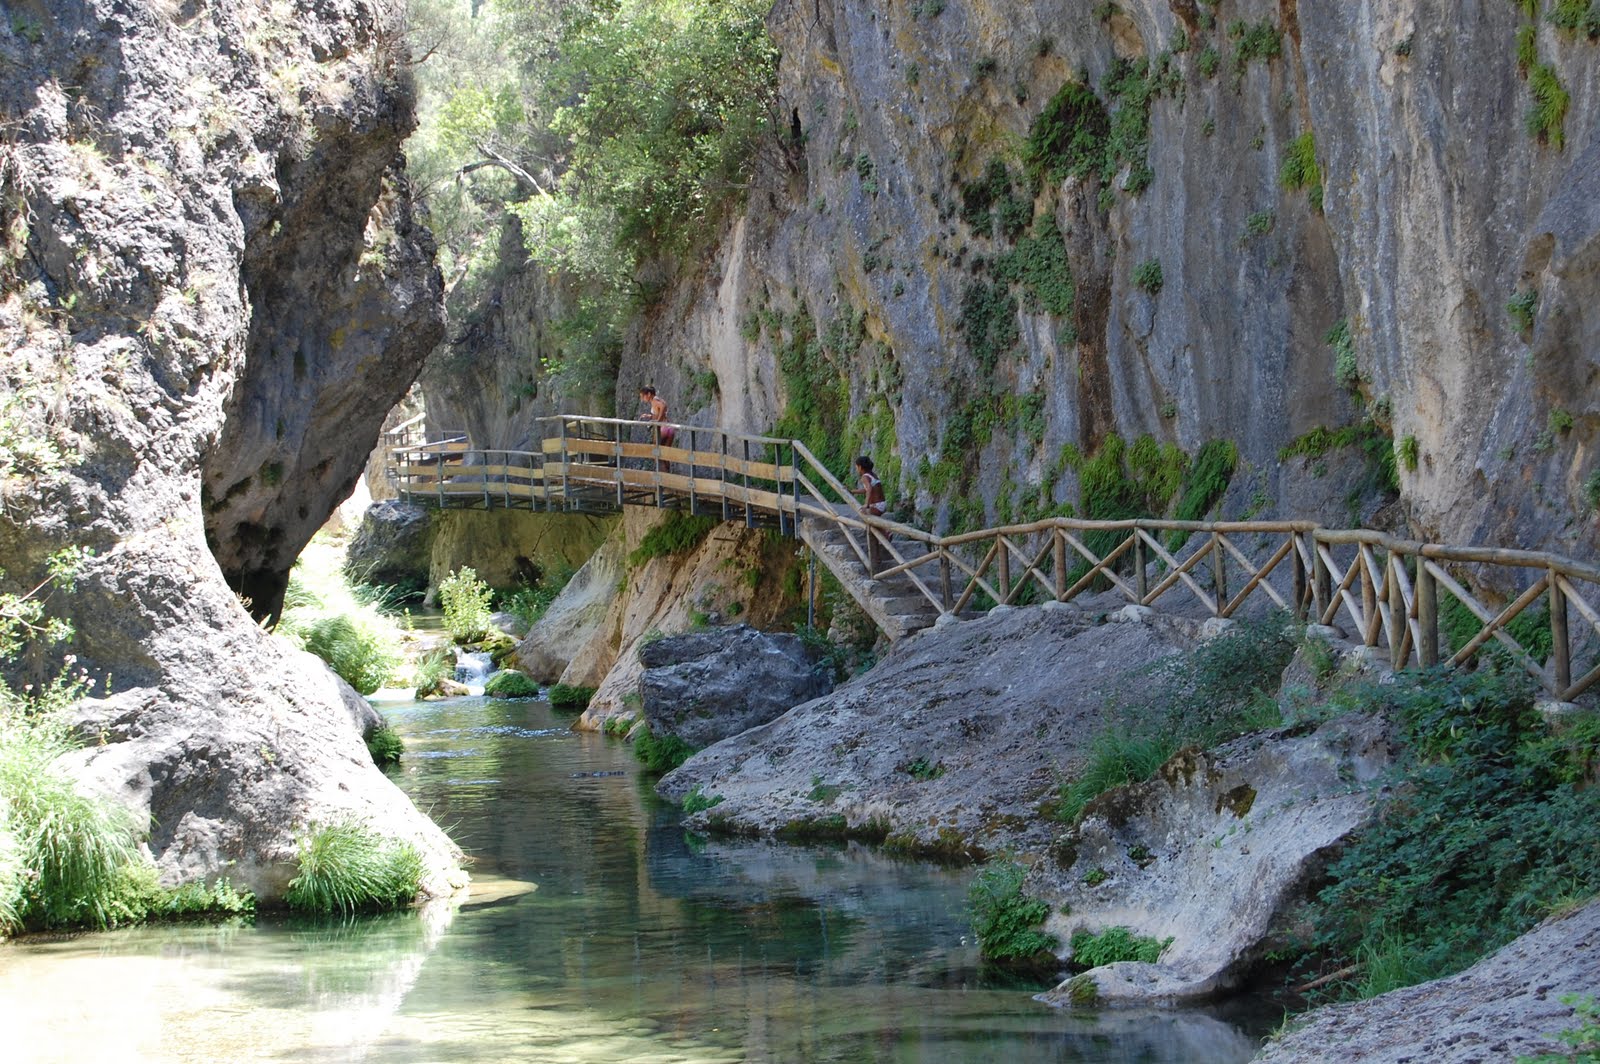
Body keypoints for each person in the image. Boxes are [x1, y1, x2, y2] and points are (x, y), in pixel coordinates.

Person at [852, 456, 887, 574]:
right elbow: (867, 489)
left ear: (860, 467)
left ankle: (886, 532)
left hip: (875, 505)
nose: (856, 468)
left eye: (856, 466)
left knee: (865, 515)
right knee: (872, 526)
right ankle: (877, 557)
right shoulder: (872, 475)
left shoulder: (864, 477)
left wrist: (866, 504)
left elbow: (870, 490)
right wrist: (853, 491)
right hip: (882, 504)